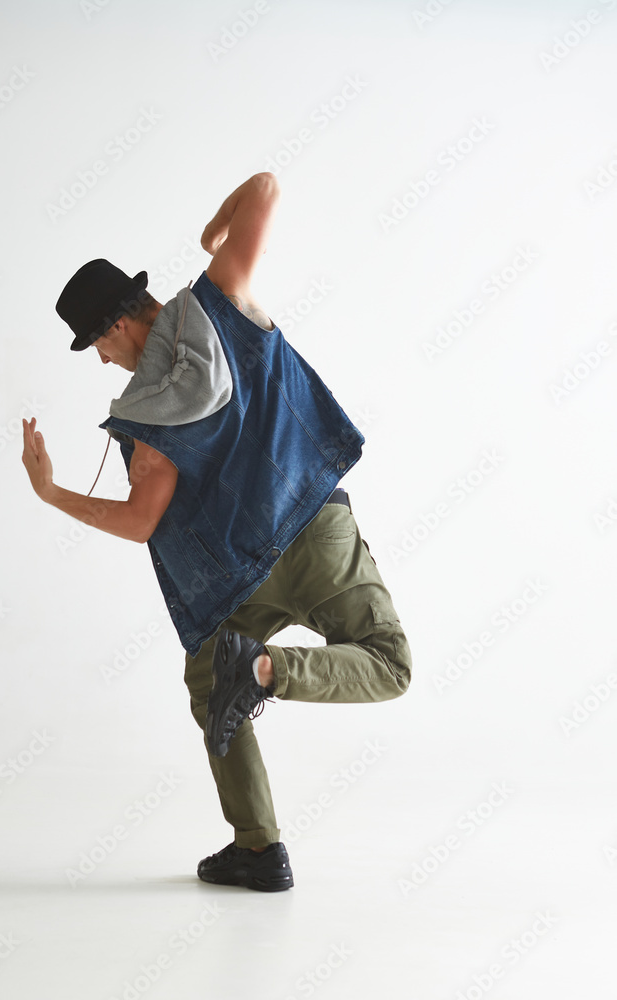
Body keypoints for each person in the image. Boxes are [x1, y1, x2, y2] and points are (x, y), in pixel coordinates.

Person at [22, 172, 412, 893]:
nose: (103, 360)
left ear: (116, 326)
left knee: (210, 674)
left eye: (96, 344)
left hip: (241, 573)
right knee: (387, 664)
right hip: (318, 532)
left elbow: (141, 522)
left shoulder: (145, 420)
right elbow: (265, 186)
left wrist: (52, 493)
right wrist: (212, 236)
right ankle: (263, 678)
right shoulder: (223, 298)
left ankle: (259, 845)